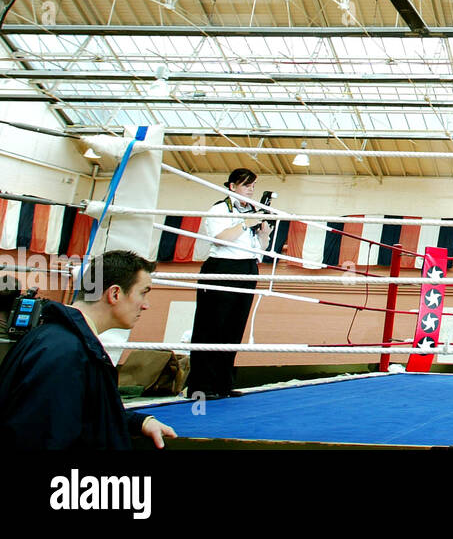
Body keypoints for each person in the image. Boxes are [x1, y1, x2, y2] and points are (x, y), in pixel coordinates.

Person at [0, 250, 177, 449]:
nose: (146, 305)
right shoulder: (66, 353)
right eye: (143, 292)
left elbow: (73, 409)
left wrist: (136, 422)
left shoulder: (62, 341)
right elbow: (43, 437)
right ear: (115, 293)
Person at [185, 168, 269, 400]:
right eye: (245, 185)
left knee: (234, 327)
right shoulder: (219, 209)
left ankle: (223, 383)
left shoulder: (253, 211)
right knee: (211, 327)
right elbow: (220, 239)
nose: (250, 190)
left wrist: (264, 233)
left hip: (247, 268)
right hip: (222, 267)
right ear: (232, 186)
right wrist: (244, 223)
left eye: (253, 186)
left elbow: (258, 249)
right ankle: (200, 387)